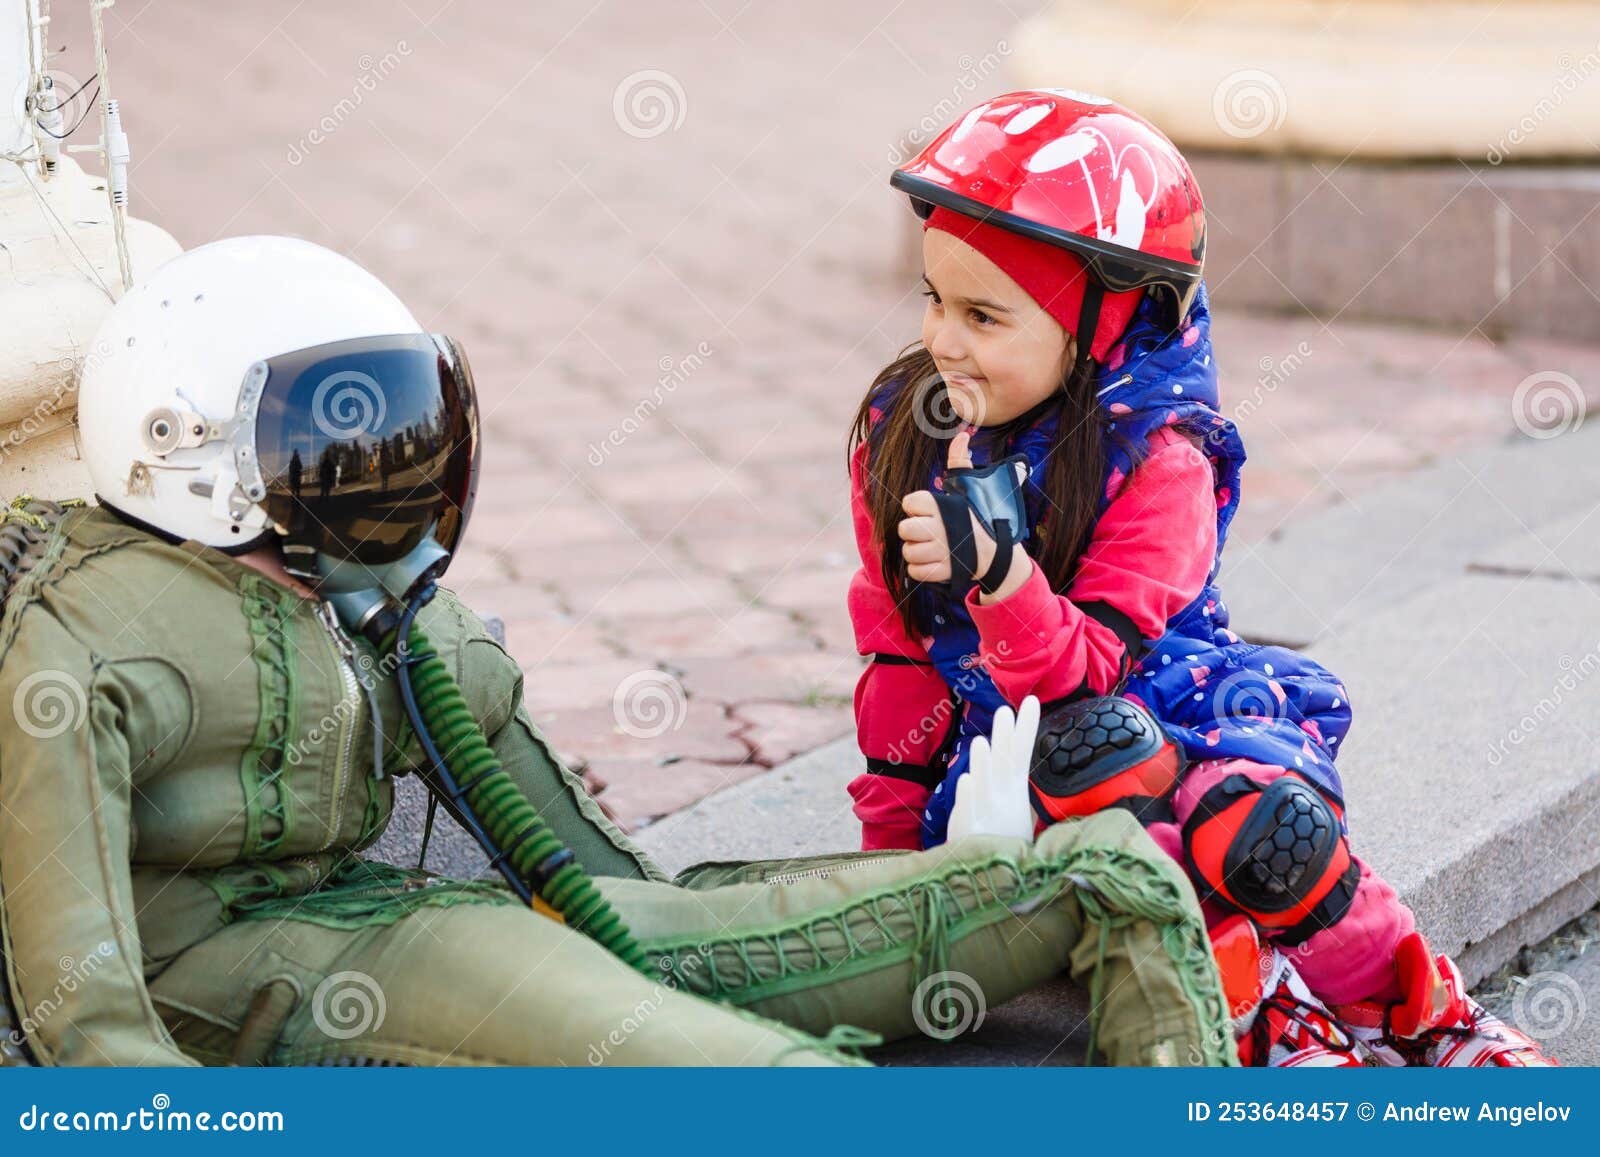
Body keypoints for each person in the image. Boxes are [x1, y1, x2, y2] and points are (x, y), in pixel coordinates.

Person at [0, 235, 1232, 1068]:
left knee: (1103, 871)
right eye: (329, 443)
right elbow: (89, 1026)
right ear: (181, 447)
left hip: (449, 924)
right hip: (261, 982)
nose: (377, 477)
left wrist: (944, 888)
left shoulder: (392, 618)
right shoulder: (85, 647)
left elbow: (600, 880)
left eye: (393, 432)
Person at [843, 89, 1554, 1068]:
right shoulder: (905, 432)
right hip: (1007, 747)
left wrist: (1003, 579)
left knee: (1253, 818)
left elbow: (1093, 671)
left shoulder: (1160, 456)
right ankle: (1272, 1028)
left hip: (1158, 693)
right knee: (1102, 767)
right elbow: (896, 640)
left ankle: (1424, 1017)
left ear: (1106, 318)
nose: (943, 339)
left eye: (982, 313)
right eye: (932, 297)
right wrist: (887, 865)